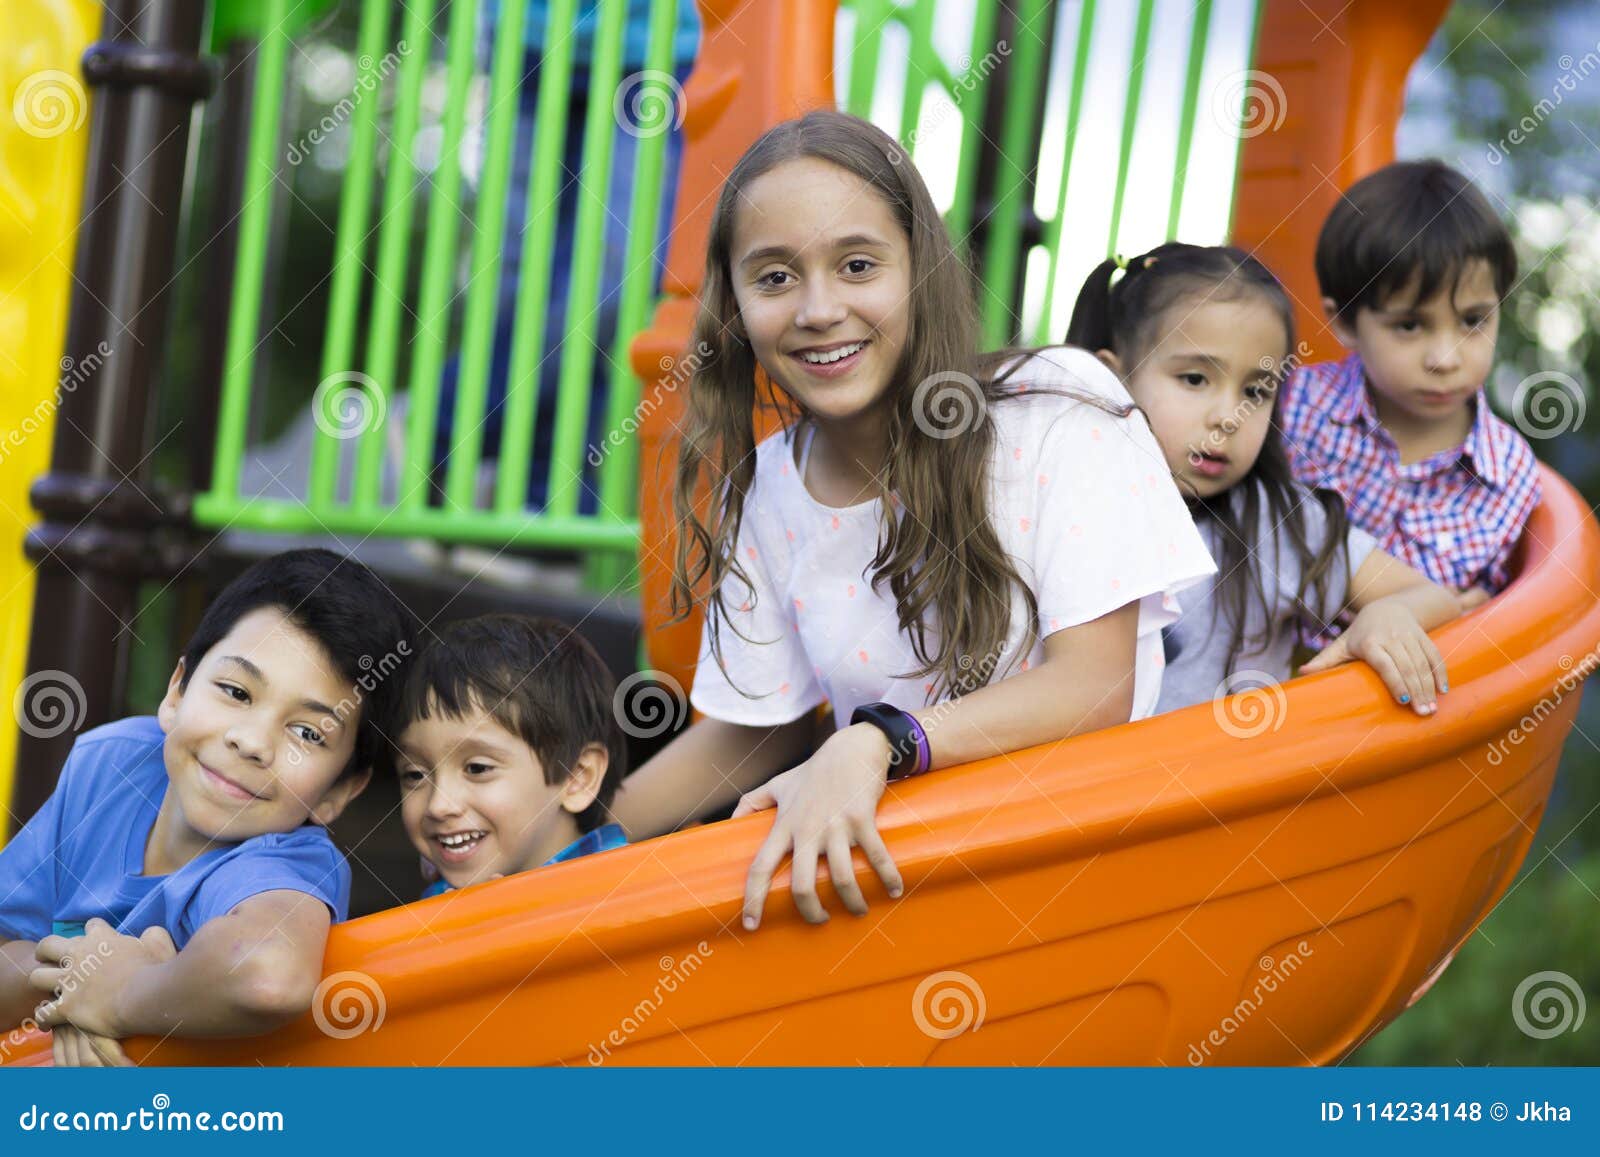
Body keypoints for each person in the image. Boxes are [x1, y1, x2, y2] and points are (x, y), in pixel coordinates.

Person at [610, 109, 1217, 929]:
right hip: (904, 889)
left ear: (920, 269)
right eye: (775, 277)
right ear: (736, 304)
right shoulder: (767, 492)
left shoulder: (1056, 410)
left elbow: (1094, 687)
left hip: (1082, 877)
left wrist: (877, 741)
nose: (818, 308)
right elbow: (759, 733)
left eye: (858, 264)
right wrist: (572, 842)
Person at [0, 549, 416, 1066]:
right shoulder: (113, 763)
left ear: (340, 792)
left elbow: (268, 976)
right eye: (237, 692)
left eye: (309, 732)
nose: (253, 742)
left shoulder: (285, 861)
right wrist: (78, 979)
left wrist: (123, 993)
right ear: (177, 691)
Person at [1065, 243, 1461, 715]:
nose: (1230, 417)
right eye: (1195, 379)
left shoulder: (1278, 524)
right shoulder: (1065, 512)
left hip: (1239, 786)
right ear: (1113, 379)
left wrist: (1387, 614)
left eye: (1256, 390)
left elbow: (1433, 597)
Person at [1278, 160, 1540, 610]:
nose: (1445, 358)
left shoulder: (1506, 473)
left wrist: (1473, 613)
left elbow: (1488, 622)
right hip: (1263, 669)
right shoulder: (1294, 408)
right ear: (1344, 322)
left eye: (1473, 321)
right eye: (1409, 326)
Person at [392, 615, 628, 897]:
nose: (439, 806)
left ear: (577, 776)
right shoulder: (436, 903)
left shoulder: (623, 896)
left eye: (477, 768)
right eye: (415, 774)